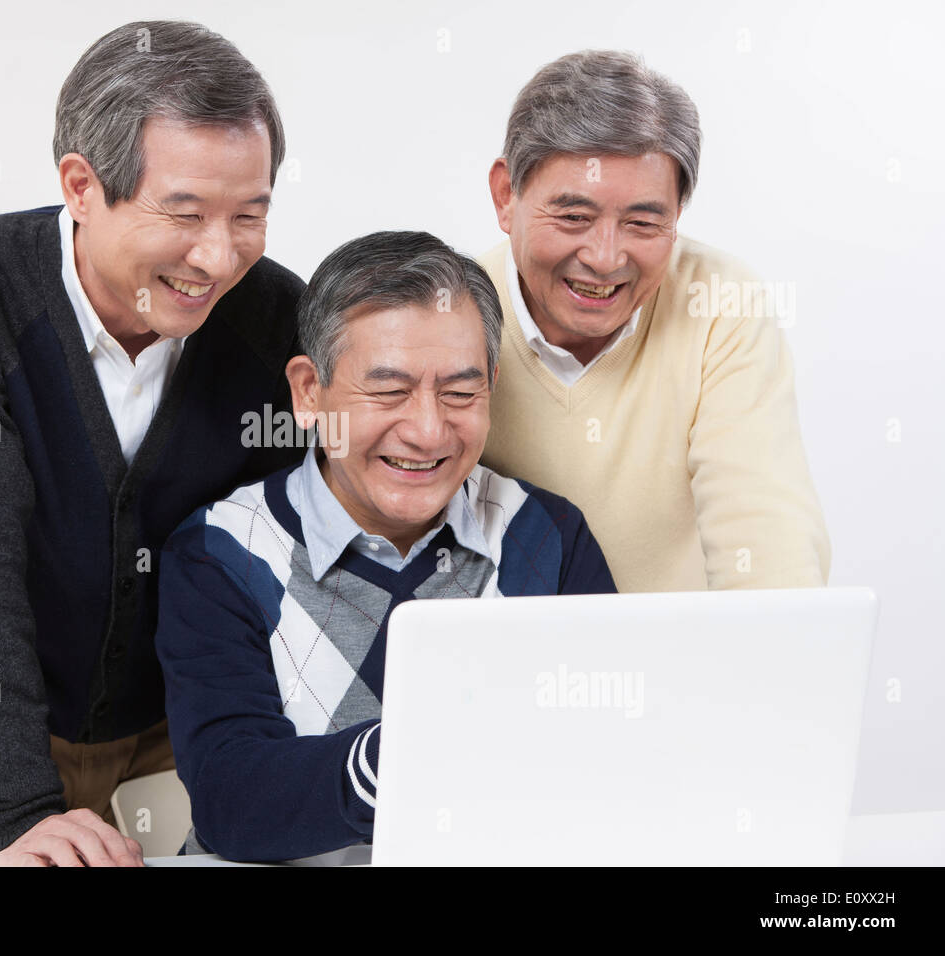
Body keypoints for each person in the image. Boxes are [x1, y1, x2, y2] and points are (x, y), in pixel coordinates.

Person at [0, 20, 304, 867]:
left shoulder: (275, 319)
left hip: (176, 723)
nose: (218, 257)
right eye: (183, 213)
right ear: (81, 185)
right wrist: (17, 809)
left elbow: (282, 545)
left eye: (250, 215)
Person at [155, 232, 616, 862]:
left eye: (460, 392)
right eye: (389, 391)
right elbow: (231, 798)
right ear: (309, 393)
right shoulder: (221, 551)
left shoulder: (549, 537)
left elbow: (606, 762)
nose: (428, 431)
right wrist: (416, 752)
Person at [480, 50, 831, 593]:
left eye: (643, 222)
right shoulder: (453, 310)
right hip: (500, 659)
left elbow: (765, 530)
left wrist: (774, 653)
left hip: (685, 660)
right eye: (574, 216)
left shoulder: (720, 301)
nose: (604, 257)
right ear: (506, 196)